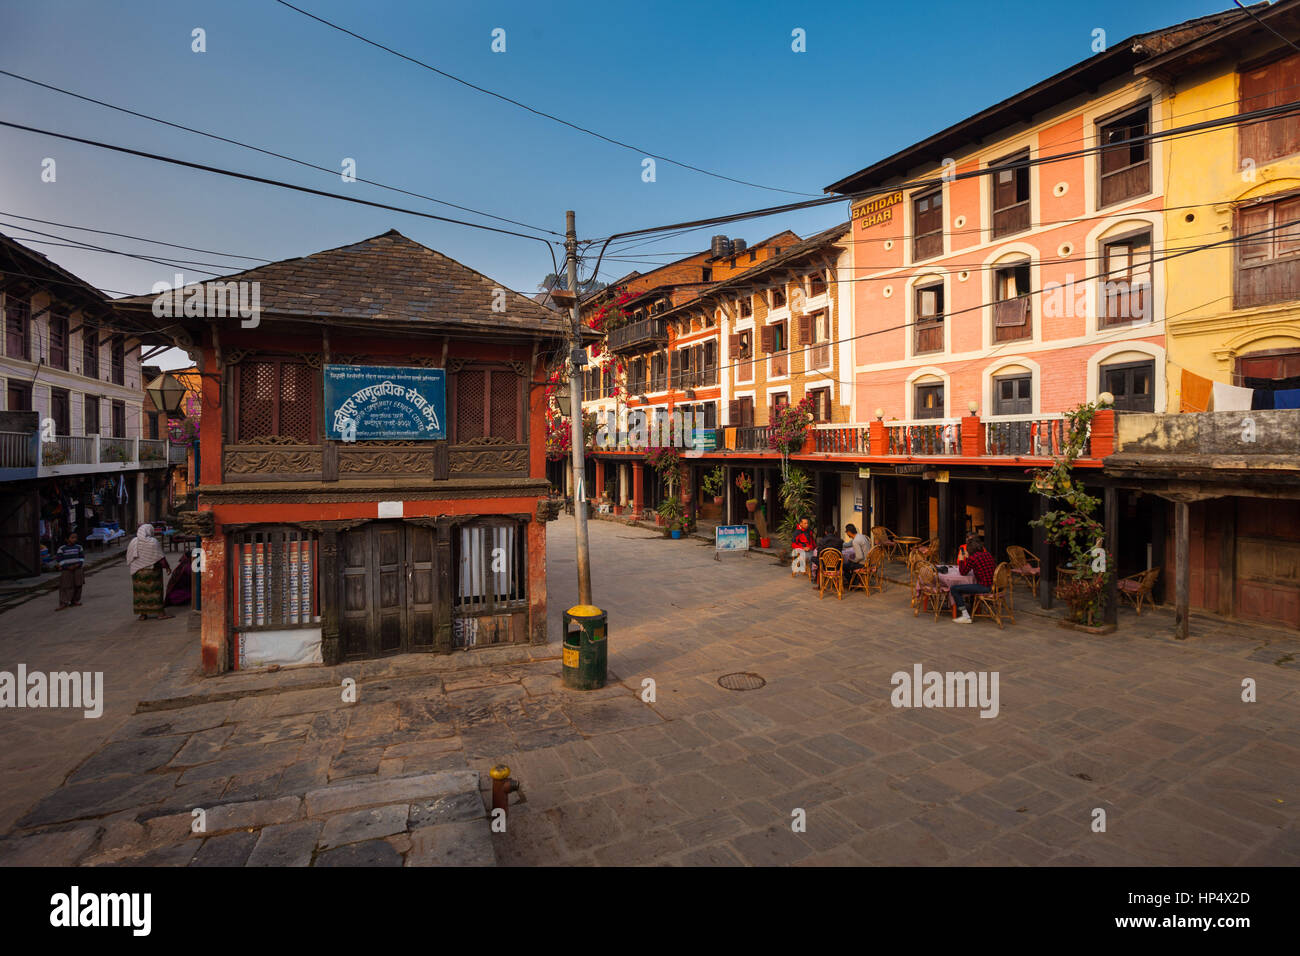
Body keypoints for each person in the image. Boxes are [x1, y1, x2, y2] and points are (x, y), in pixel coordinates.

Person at [126, 523, 171, 621]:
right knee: (155, 592)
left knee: (140, 593)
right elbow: (160, 557)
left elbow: (129, 557)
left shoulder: (134, 542)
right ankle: (160, 613)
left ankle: (142, 614)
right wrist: (167, 567)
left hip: (137, 573)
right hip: (152, 572)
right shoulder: (153, 542)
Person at [951, 534, 995, 623]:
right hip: (995, 586)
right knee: (969, 585)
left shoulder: (974, 557)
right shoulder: (988, 554)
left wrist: (962, 559)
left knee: (954, 588)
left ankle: (965, 616)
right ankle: (971, 608)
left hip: (985, 587)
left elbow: (963, 572)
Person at [55, 532, 85, 610]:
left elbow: (82, 558)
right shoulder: (61, 549)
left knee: (78, 584)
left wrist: (77, 565)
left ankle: (75, 600)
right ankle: (64, 602)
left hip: (78, 568)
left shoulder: (79, 547)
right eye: (72, 538)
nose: (74, 539)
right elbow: (59, 560)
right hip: (66, 570)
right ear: (66, 539)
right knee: (66, 585)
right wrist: (67, 567)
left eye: (75, 537)